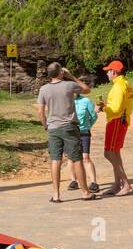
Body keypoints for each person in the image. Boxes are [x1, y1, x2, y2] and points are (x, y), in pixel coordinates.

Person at [36, 64, 95, 203]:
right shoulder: (69, 85)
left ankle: (56, 194)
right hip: (69, 127)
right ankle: (85, 192)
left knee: (55, 160)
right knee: (76, 159)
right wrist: (71, 76)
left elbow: (40, 111)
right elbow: (87, 90)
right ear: (61, 72)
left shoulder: (44, 89)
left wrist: (46, 125)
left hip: (53, 128)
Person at [98, 59, 133, 196]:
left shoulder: (119, 86)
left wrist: (102, 108)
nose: (107, 74)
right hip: (121, 120)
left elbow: (116, 108)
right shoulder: (125, 83)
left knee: (109, 153)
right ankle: (117, 184)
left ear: (113, 72)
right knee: (115, 153)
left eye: (108, 71)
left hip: (116, 120)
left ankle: (125, 183)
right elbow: (119, 103)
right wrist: (107, 103)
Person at [68, 84, 100, 193]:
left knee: (85, 157)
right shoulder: (65, 101)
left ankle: (94, 182)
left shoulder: (86, 101)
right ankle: (73, 181)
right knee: (71, 157)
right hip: (70, 133)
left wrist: (88, 126)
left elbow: (94, 116)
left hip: (84, 132)